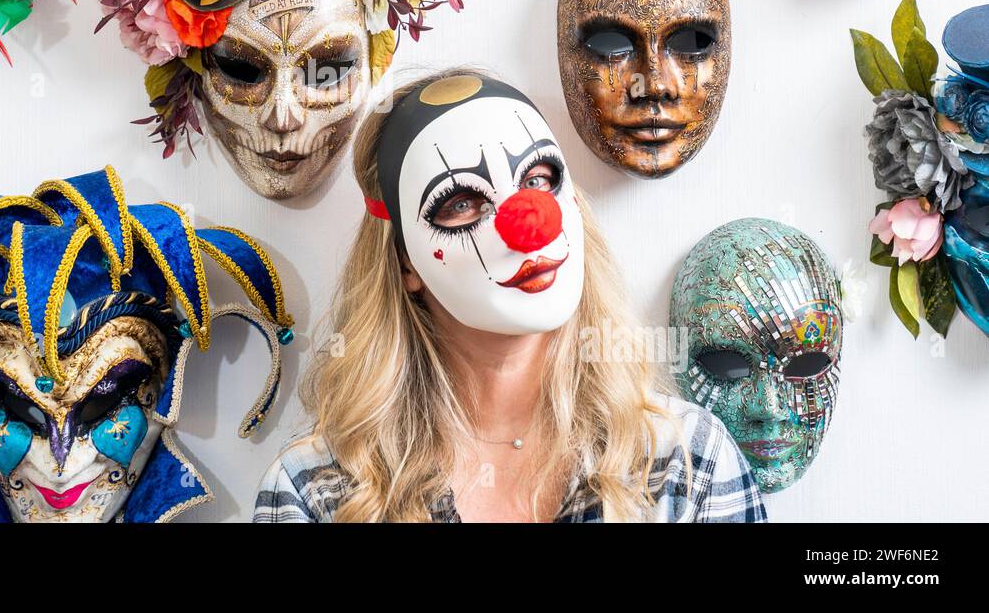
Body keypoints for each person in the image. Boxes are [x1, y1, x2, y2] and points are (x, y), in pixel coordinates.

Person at [253, 71, 765, 523]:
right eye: (460, 202)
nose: (528, 225)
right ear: (406, 262)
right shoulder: (315, 493)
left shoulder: (688, 464)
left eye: (539, 178)